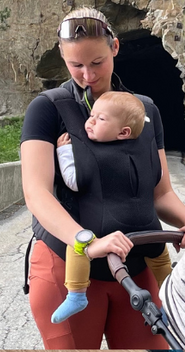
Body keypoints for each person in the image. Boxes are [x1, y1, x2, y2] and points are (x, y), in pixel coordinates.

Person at [21, 7, 185, 349]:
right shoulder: (48, 108)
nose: (87, 75)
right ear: (62, 55)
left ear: (115, 48)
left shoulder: (144, 112)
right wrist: (86, 242)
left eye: (96, 62)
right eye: (75, 65)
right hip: (69, 271)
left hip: (137, 268)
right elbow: (36, 193)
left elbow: (160, 192)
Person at [51, 91, 148, 324]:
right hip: (140, 222)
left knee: (77, 243)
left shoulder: (93, 155)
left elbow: (74, 182)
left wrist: (64, 152)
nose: (90, 121)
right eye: (91, 115)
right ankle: (171, 296)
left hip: (101, 221)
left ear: (123, 132)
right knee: (160, 256)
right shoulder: (138, 153)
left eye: (100, 119)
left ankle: (76, 294)